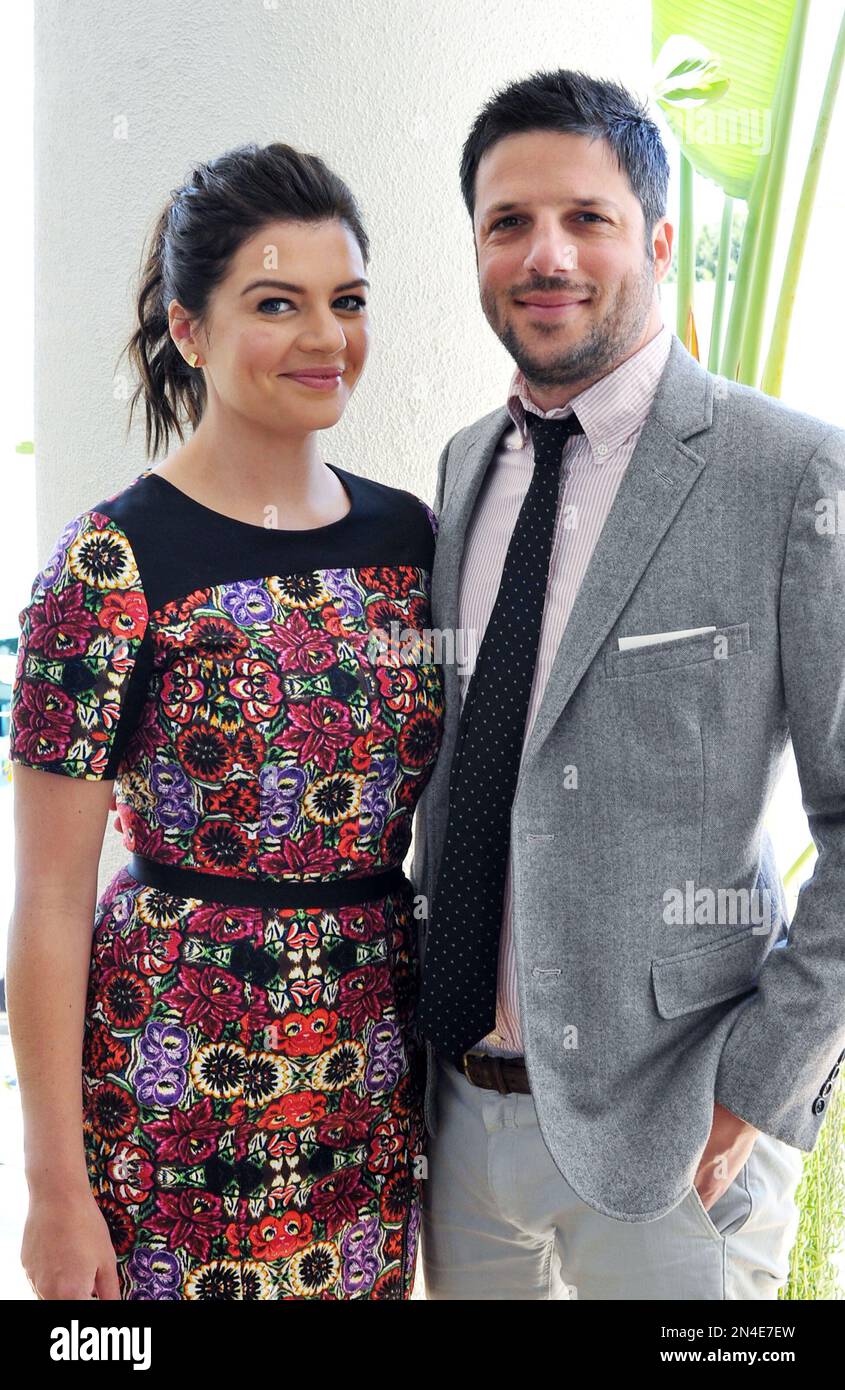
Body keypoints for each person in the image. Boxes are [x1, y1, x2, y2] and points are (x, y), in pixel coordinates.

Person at [412, 68, 845, 1300]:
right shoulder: (462, 469)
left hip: (677, 1135)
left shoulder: (789, 471)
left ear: (655, 239)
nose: (544, 255)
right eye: (507, 223)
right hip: (458, 1118)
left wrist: (754, 1090)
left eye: (585, 218)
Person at [7, 141, 444, 1301]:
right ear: (188, 328)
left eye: (345, 301)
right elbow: (48, 901)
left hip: (365, 1063)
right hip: (173, 1077)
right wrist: (54, 1187)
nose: (324, 338)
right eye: (275, 303)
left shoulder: (411, 544)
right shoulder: (110, 563)